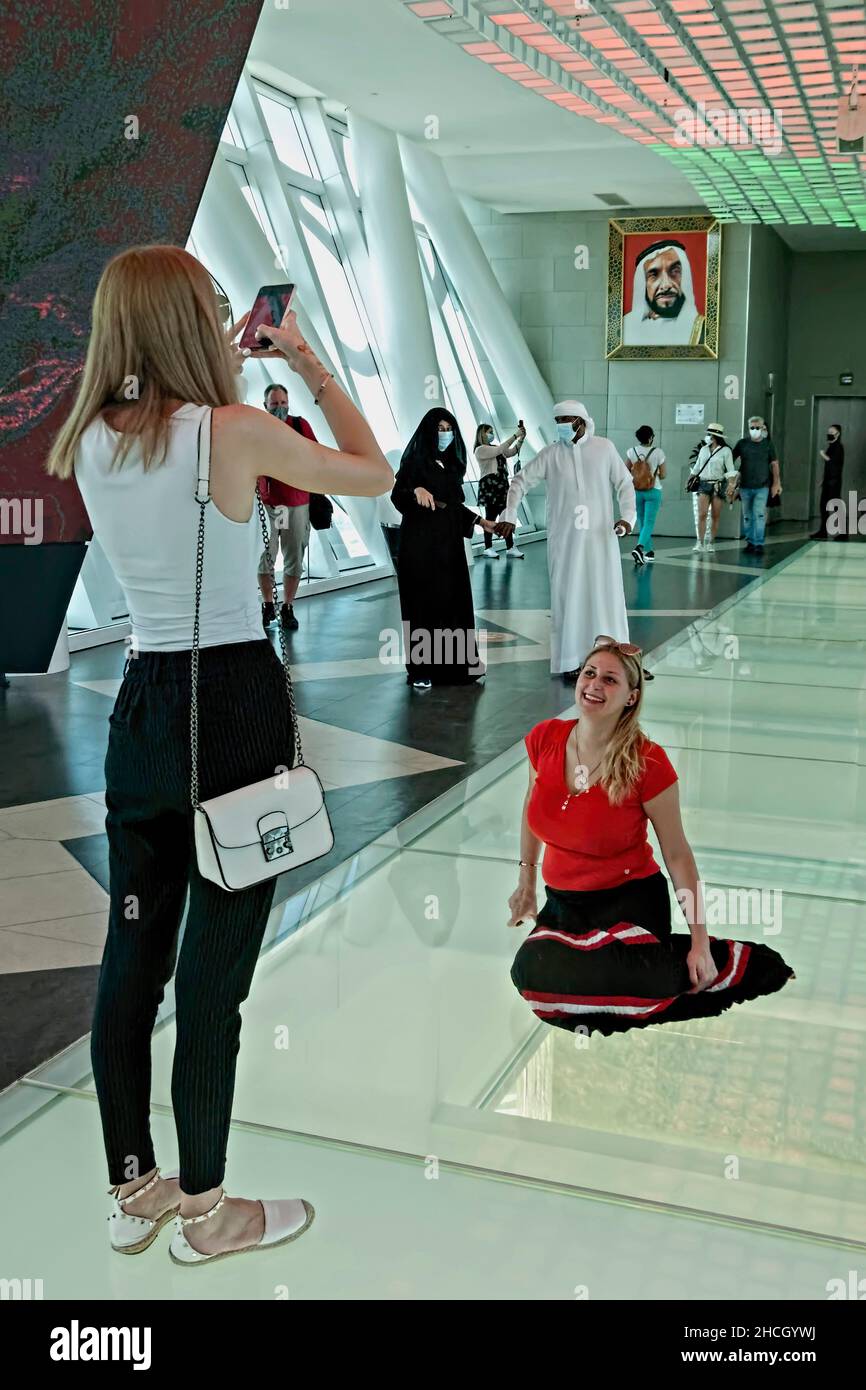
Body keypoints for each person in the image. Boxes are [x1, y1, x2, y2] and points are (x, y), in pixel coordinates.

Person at [46, 244, 392, 1264]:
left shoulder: (89, 440)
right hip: (230, 707)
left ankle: (134, 1186)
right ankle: (209, 1212)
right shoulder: (231, 434)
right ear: (189, 325)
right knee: (213, 978)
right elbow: (369, 471)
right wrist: (312, 363)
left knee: (132, 956)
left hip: (143, 711)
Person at [508, 637, 794, 1036]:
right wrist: (526, 882)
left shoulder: (648, 762)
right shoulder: (545, 739)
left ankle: (713, 960)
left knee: (641, 982)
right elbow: (530, 806)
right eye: (589, 673)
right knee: (529, 975)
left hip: (629, 900)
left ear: (631, 697)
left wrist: (697, 940)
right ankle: (627, 967)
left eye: (610, 680)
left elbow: (677, 855)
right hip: (566, 903)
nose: (594, 685)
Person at [495, 399, 635, 683]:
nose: (562, 426)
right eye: (558, 421)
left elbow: (624, 483)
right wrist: (509, 512)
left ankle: (621, 660)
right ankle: (570, 661)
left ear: (582, 420)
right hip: (564, 541)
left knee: (607, 594)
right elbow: (519, 482)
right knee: (567, 597)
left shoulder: (604, 448)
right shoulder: (550, 454)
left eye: (567, 419)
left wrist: (627, 518)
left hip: (600, 539)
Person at [390, 409, 497, 690]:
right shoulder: (414, 462)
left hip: (448, 550)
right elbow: (397, 494)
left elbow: (453, 507)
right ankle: (421, 670)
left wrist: (480, 521)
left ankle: (457, 667)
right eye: (439, 427)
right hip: (420, 548)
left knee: (452, 604)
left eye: (449, 427)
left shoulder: (451, 466)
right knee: (422, 606)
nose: (445, 433)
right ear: (428, 430)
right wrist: (416, 491)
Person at [257, 383, 313, 630]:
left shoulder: (300, 426)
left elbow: (316, 456)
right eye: (274, 404)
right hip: (268, 503)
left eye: (283, 403)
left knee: (294, 557)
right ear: (265, 405)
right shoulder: (257, 430)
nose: (279, 408)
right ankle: (268, 604)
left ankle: (287, 605)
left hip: (295, 502)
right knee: (264, 556)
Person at [622, 240, 705, 347]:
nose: (665, 285)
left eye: (675, 271)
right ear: (643, 284)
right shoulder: (623, 328)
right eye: (654, 275)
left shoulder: (702, 329)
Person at [474, 421, 526, 559]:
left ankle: (510, 547)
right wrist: (516, 435)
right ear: (482, 434)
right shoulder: (480, 449)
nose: (491, 434)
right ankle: (488, 547)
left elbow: (511, 452)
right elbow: (501, 450)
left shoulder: (496, 448)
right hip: (490, 485)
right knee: (490, 516)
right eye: (489, 432)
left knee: (505, 516)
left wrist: (521, 439)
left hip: (501, 485)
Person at [731, 415, 782, 554]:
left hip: (762, 486)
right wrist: (731, 480)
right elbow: (730, 459)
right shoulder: (742, 443)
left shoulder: (768, 444)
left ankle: (758, 543)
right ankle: (750, 542)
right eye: (751, 428)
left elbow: (775, 464)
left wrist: (776, 484)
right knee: (747, 515)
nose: (754, 430)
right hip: (745, 486)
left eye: (757, 427)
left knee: (759, 514)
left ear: (762, 428)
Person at [688, 423, 738, 554]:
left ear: (715, 436)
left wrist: (731, 486)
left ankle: (710, 543)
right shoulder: (704, 449)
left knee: (716, 515)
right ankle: (699, 542)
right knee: (702, 514)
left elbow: (730, 469)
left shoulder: (726, 451)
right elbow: (697, 467)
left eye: (710, 434)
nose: (708, 437)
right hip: (703, 484)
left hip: (718, 485)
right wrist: (690, 479)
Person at [625, 424, 665, 565]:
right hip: (653, 491)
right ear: (650, 438)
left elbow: (626, 470)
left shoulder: (631, 451)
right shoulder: (658, 452)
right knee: (649, 522)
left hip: (636, 491)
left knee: (642, 521)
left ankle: (649, 551)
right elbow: (664, 474)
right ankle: (639, 548)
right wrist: (654, 473)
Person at [811, 423, 844, 540]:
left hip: (834, 483)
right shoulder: (832, 446)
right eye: (828, 432)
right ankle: (823, 531)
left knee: (835, 506)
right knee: (824, 506)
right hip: (829, 482)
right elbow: (829, 467)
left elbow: (833, 463)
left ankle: (842, 533)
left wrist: (823, 455)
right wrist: (823, 480)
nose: (829, 434)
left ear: (838, 434)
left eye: (832, 433)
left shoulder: (838, 447)